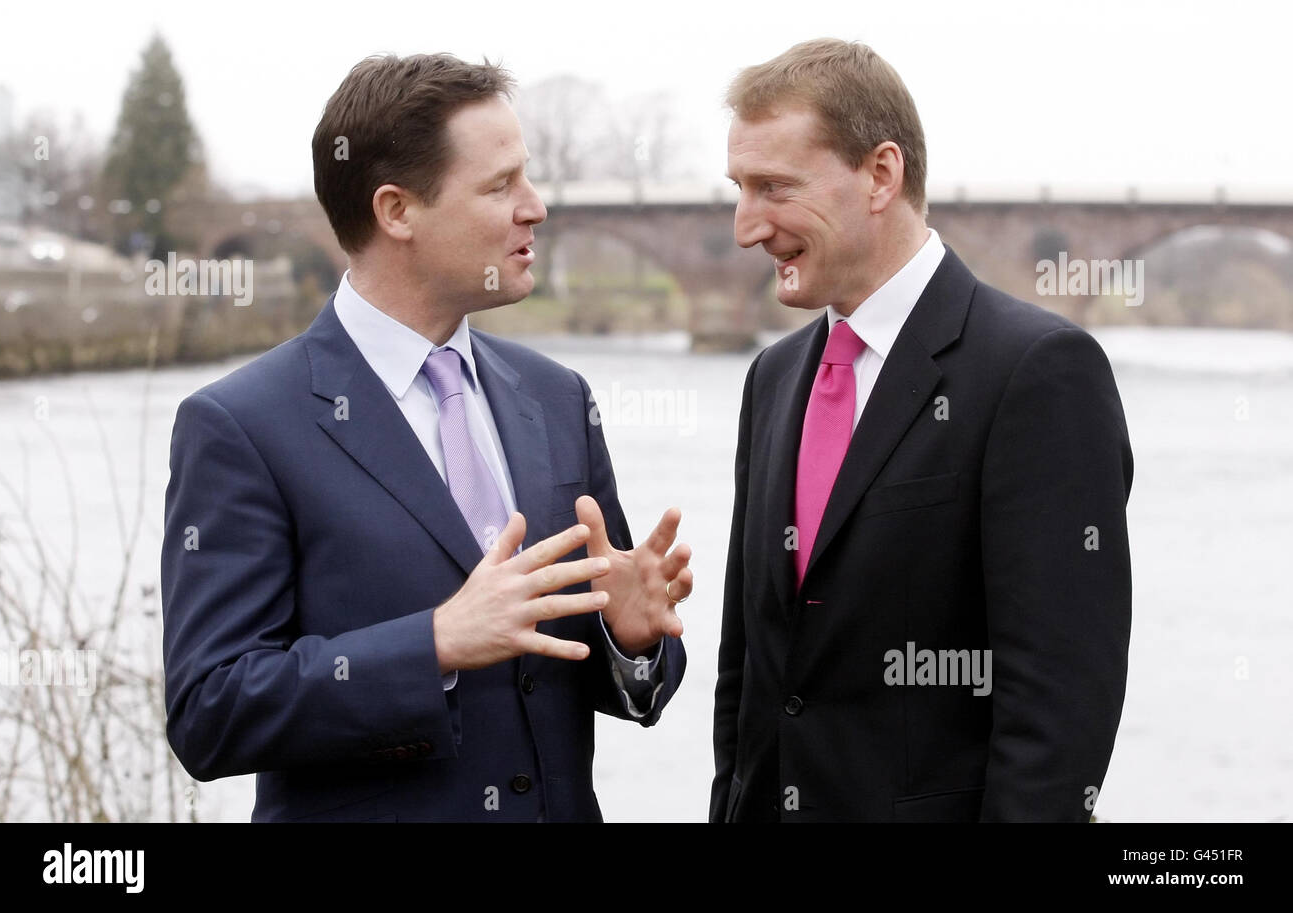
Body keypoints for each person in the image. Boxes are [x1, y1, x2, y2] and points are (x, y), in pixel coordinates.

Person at [162, 53, 690, 823]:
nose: (536, 207)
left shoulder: (556, 397)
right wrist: (434, 643)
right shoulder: (241, 426)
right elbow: (210, 711)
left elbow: (606, 675)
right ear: (397, 211)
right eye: (500, 184)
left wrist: (630, 638)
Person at [711, 39, 1132, 822]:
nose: (745, 227)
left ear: (881, 175)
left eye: (773, 187)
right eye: (739, 188)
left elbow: (1058, 714)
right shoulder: (771, 380)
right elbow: (750, 677)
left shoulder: (1037, 372)